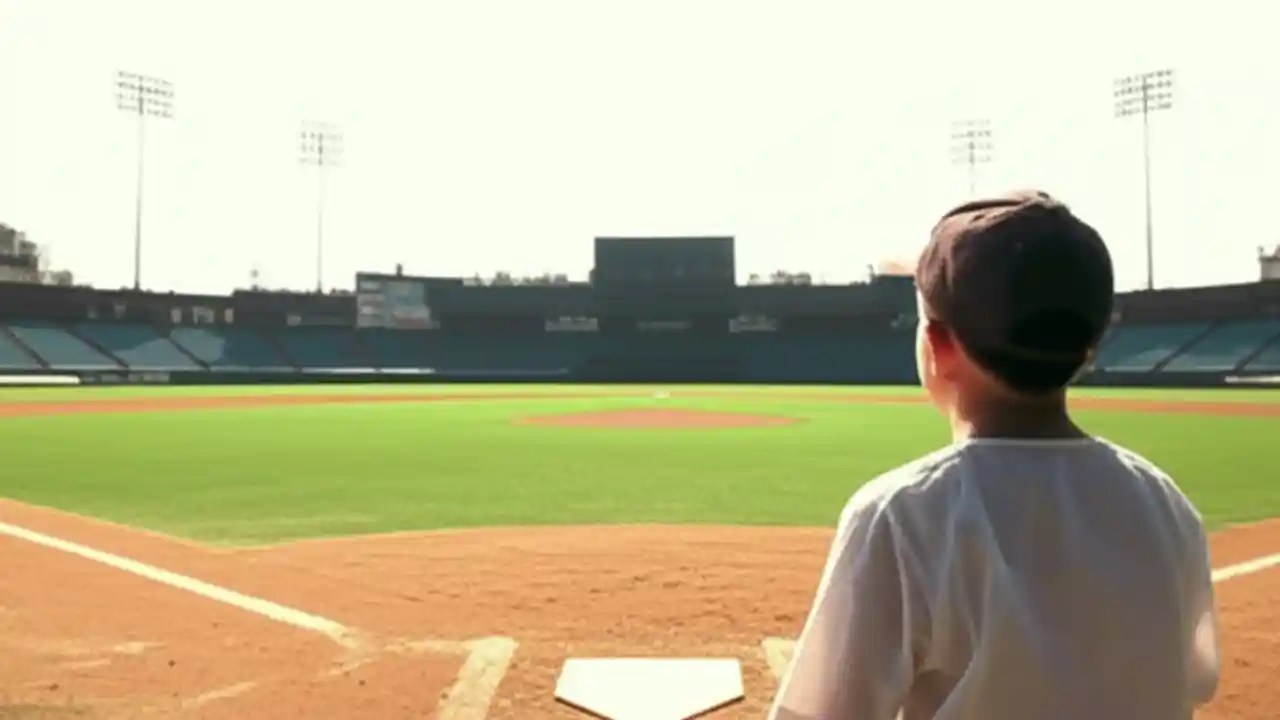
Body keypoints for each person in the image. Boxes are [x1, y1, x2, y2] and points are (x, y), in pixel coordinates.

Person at [768, 190, 1219, 720]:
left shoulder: (902, 514)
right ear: (1088, 349)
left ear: (937, 347)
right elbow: (1190, 681)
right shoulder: (1165, 503)